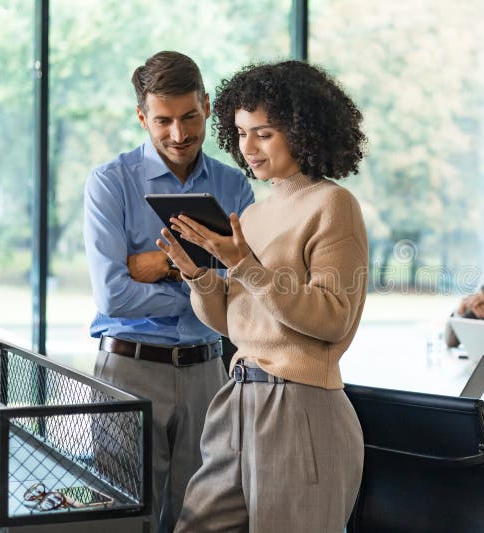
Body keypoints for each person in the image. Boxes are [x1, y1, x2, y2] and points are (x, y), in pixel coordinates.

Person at [156, 61, 368, 532]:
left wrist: (245, 267)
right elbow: (236, 323)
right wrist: (198, 275)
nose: (248, 148)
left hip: (301, 408)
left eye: (264, 134)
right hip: (238, 398)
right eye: (241, 133)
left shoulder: (332, 205)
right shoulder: (252, 216)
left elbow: (333, 317)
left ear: (303, 131)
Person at [83, 51, 254, 532]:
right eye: (163, 121)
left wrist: (160, 266)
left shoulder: (234, 185)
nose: (178, 135)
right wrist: (204, 279)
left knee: (202, 518)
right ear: (142, 116)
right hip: (128, 372)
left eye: (189, 117)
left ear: (205, 103)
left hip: (208, 373)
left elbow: (244, 290)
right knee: (122, 519)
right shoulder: (109, 183)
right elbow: (113, 298)